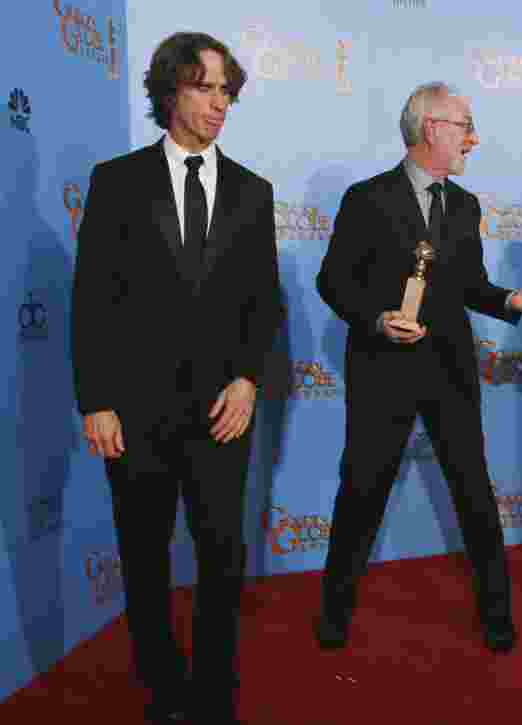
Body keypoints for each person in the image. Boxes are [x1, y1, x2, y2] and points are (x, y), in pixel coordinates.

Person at [71, 32, 283, 725]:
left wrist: (249, 379)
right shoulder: (118, 181)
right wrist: (96, 400)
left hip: (224, 410)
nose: (220, 103)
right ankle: (162, 691)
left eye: (228, 90)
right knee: (144, 557)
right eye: (206, 87)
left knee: (223, 558)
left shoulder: (254, 191)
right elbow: (91, 299)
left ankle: (215, 695)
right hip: (136, 413)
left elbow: (262, 301)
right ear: (170, 91)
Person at [315, 81, 522, 654]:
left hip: (450, 371)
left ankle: (498, 618)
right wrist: (376, 319)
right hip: (382, 372)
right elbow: (333, 282)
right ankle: (333, 616)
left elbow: (469, 285)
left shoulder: (465, 204)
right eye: (464, 125)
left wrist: (509, 304)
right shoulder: (366, 198)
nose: (473, 138)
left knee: (474, 492)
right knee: (361, 492)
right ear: (431, 128)